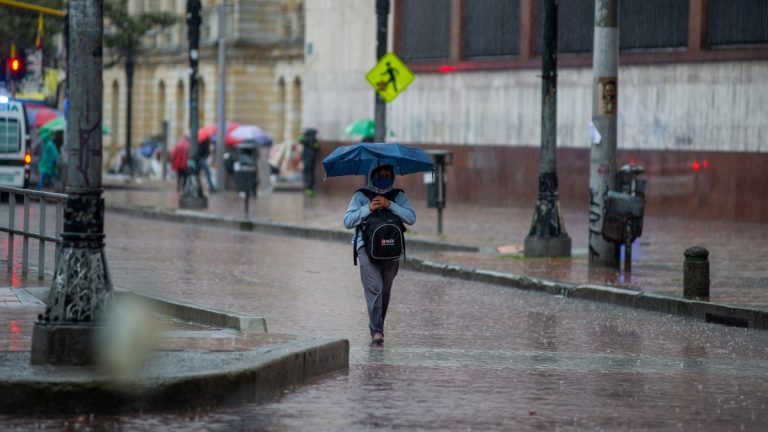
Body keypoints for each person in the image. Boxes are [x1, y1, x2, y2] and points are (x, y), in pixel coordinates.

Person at [343, 164, 415, 345]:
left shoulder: (399, 196)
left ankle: (377, 326)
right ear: (371, 175)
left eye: (386, 175)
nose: (383, 178)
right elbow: (347, 221)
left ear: (392, 176)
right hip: (365, 249)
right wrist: (368, 208)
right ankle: (377, 331)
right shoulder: (360, 195)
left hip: (391, 249)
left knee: (385, 290)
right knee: (375, 287)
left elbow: (411, 218)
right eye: (379, 175)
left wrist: (390, 205)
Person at [300, 128, 319, 197]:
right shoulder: (315, 141)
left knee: (307, 173)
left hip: (307, 160)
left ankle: (308, 188)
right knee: (311, 173)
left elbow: (300, 139)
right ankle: (310, 189)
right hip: (312, 160)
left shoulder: (306, 139)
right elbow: (317, 148)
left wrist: (302, 134)